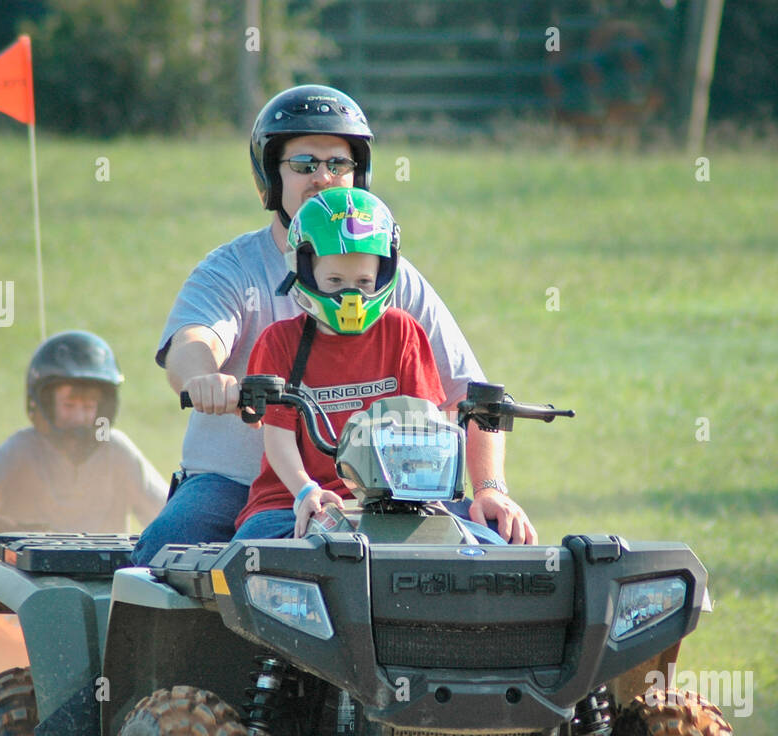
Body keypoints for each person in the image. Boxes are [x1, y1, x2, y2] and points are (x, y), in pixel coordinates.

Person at [130, 84, 533, 565]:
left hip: (384, 490)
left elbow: (468, 392)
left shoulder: (386, 275)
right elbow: (195, 339)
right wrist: (206, 380)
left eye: (337, 165)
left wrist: (490, 488)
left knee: (500, 550)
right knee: (158, 556)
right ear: (271, 179)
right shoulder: (233, 268)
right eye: (304, 165)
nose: (323, 178)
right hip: (243, 485)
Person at [232, 187, 504, 545]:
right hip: (290, 502)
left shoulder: (403, 331)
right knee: (254, 552)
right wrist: (305, 492)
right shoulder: (279, 342)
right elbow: (277, 437)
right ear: (304, 271)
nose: (351, 296)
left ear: (384, 272)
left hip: (397, 505)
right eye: (334, 281)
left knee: (491, 549)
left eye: (363, 282)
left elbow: (423, 424)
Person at [0, 330, 168, 542]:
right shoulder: (24, 447)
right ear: (46, 405)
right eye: (69, 405)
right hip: (26, 571)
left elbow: (165, 512)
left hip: (103, 573)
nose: (78, 417)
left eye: (88, 407)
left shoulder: (116, 449)